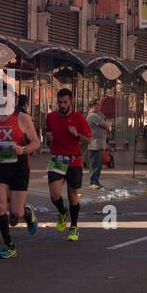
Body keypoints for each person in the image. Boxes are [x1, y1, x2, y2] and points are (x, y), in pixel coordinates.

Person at [0, 97, 40, 258]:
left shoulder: (22, 118)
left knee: (15, 213)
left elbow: (36, 142)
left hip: (19, 168)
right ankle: (9, 245)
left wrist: (23, 149)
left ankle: (26, 212)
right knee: (0, 206)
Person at [44, 88, 91, 241]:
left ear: (71, 102)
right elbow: (48, 133)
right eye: (59, 102)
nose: (62, 105)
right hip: (57, 159)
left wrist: (77, 134)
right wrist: (48, 136)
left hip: (73, 160)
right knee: (54, 194)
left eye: (65, 102)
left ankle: (74, 227)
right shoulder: (50, 117)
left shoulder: (79, 118)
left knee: (73, 196)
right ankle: (63, 212)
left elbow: (88, 139)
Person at [86, 99, 109, 189]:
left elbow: (104, 120)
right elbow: (106, 126)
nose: (100, 107)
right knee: (95, 164)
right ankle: (93, 182)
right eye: (98, 105)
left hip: (98, 143)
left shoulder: (97, 115)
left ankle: (96, 181)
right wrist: (107, 124)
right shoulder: (93, 116)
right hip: (95, 144)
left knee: (98, 164)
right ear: (94, 105)